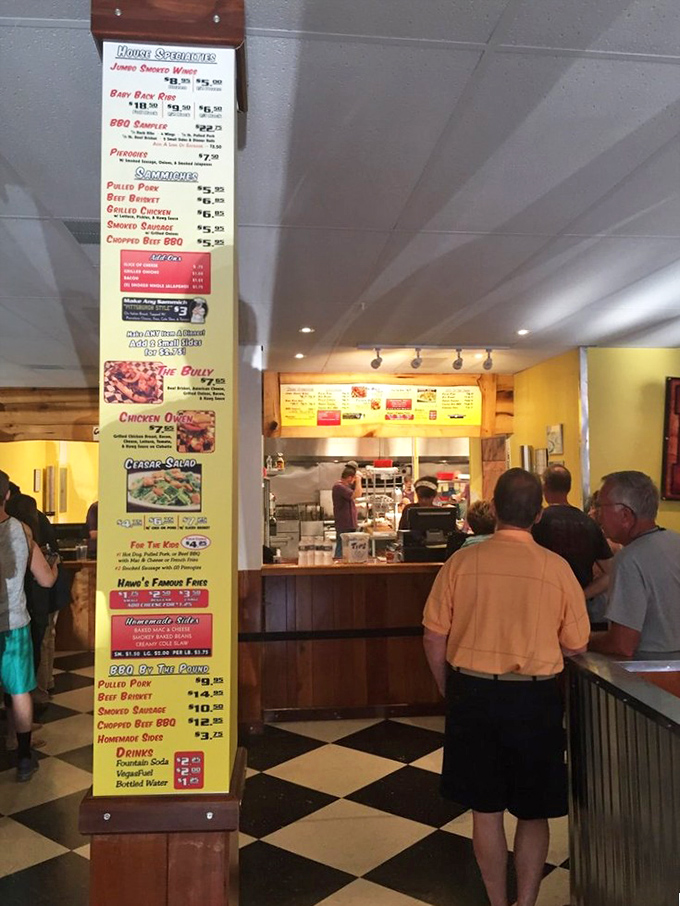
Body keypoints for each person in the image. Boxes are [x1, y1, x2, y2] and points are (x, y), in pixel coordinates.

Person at [423, 468, 589, 906]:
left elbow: (434, 635)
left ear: (494, 508)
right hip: (535, 699)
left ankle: (498, 902)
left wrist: (448, 688)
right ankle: (526, 902)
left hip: (473, 693)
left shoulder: (461, 563)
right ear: (538, 514)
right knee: (533, 811)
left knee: (486, 809)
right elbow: (577, 644)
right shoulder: (556, 568)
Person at [0, 470, 58, 781]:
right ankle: (24, 758)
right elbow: (45, 580)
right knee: (20, 690)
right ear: (7, 495)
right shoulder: (22, 531)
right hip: (14, 623)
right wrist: (55, 566)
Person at [589, 470, 680, 658]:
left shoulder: (629, 559)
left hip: (650, 668)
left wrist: (582, 639)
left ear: (625, 515)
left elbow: (622, 644)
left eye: (600, 507)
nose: (597, 515)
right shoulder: (675, 542)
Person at [532, 465, 613, 622]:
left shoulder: (537, 521)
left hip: (545, 602)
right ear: (569, 487)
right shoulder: (589, 523)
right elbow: (611, 573)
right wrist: (581, 595)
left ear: (544, 487)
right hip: (580, 607)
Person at [332, 467, 362, 558]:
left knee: (349, 551)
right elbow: (357, 494)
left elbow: (347, 502)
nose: (354, 481)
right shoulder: (339, 487)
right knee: (341, 549)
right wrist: (359, 480)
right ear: (349, 477)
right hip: (345, 524)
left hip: (348, 524)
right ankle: (338, 564)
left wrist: (357, 506)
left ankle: (344, 564)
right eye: (353, 479)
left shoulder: (344, 487)